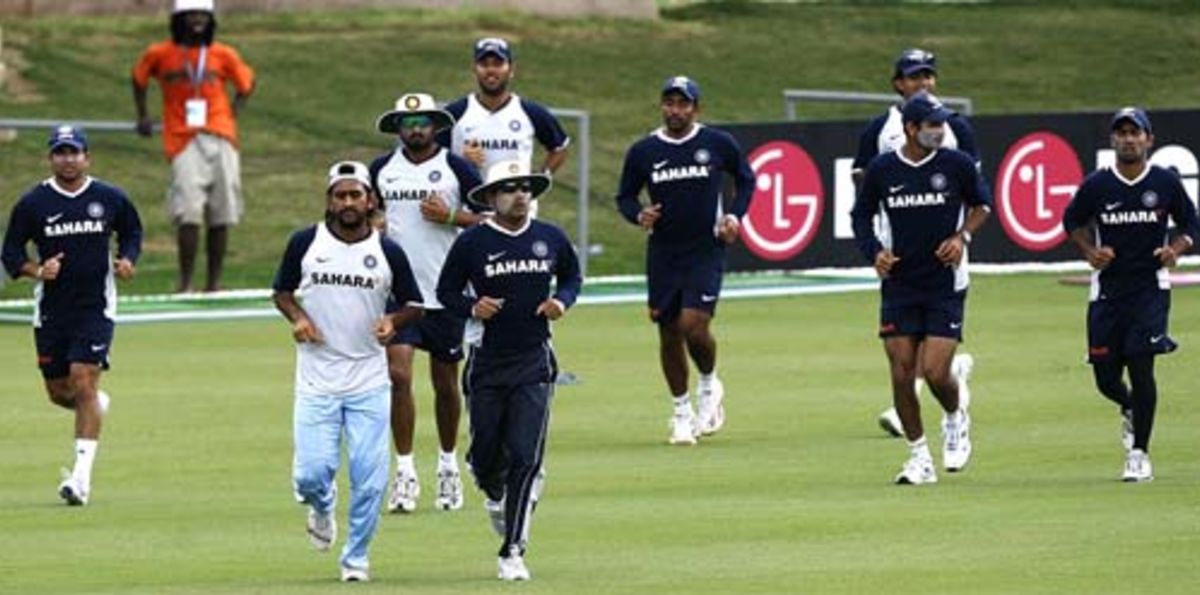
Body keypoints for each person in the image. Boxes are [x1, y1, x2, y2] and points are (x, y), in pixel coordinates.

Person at [272, 161, 423, 582]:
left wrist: (394, 322)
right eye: (341, 195)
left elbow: (415, 304)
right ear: (329, 201)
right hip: (317, 377)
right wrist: (297, 318)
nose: (349, 202)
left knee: (369, 478)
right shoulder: (305, 242)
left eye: (356, 194)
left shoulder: (387, 250)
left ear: (370, 200)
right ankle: (321, 504)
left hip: (368, 379)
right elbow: (281, 292)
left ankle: (355, 558)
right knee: (309, 475)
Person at [435, 159, 581, 581]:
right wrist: (471, 307)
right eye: (510, 188)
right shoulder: (473, 242)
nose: (520, 195)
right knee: (484, 458)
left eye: (526, 188)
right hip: (486, 363)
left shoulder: (549, 237)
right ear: (492, 197)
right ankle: (495, 493)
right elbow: (446, 290)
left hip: (534, 360)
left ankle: (512, 551)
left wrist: (562, 302)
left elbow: (571, 276)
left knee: (525, 455)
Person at [851, 92, 992, 485]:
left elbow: (983, 205)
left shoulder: (957, 164)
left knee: (933, 372)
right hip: (899, 282)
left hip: (946, 282)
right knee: (900, 373)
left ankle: (955, 414)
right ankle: (919, 458)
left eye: (941, 124)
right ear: (911, 129)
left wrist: (962, 236)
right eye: (932, 125)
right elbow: (861, 215)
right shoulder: (883, 169)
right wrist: (874, 252)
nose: (940, 130)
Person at [1, 124, 143, 506]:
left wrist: (128, 259)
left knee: (83, 378)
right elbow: (11, 253)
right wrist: (37, 271)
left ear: (86, 157)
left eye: (74, 152)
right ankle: (95, 403)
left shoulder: (109, 197)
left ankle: (80, 480)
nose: (68, 159)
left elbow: (132, 231)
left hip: (95, 307)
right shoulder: (33, 204)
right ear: (51, 158)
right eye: (61, 152)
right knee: (61, 392)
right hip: (51, 311)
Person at [614, 76, 755, 445]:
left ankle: (709, 384)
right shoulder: (644, 150)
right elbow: (625, 197)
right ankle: (680, 411)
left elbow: (746, 179)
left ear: (696, 108)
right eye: (669, 103)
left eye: (683, 103)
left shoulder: (716, 143)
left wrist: (735, 217)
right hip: (663, 251)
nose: (675, 110)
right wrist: (639, 215)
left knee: (694, 324)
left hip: (705, 248)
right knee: (668, 330)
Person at [1062, 107, 1199, 483]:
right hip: (1107, 291)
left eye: (1135, 133)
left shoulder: (1165, 183)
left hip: (1149, 289)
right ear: (1113, 140)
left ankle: (1139, 454)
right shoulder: (1098, 185)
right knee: (1106, 378)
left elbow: (1191, 223)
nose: (1128, 139)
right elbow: (1071, 220)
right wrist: (1090, 251)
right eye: (1121, 133)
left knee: (1142, 366)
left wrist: (1176, 250)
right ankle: (1128, 408)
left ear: (1148, 139)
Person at [369, 93, 484, 514]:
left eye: (422, 121)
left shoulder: (457, 167)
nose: (415, 128)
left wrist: (452, 216)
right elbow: (366, 216)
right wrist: (374, 226)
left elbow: (490, 217)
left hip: (447, 289)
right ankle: (404, 472)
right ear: (398, 127)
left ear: (436, 126)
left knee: (445, 384)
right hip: (401, 293)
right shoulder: (382, 169)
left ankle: (448, 465)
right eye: (407, 121)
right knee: (398, 376)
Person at [132, 0, 256, 293]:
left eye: (203, 15)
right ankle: (185, 283)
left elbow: (247, 83)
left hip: (221, 136)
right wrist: (143, 116)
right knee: (188, 209)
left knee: (221, 209)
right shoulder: (160, 53)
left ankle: (213, 284)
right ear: (178, 20)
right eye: (191, 15)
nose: (198, 20)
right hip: (182, 137)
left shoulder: (222, 53)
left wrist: (234, 112)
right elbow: (138, 79)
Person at [442, 37, 570, 217]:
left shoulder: (529, 112)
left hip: (519, 213)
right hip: (470, 213)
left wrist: (542, 177)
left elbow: (559, 147)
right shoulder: (455, 113)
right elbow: (435, 158)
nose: (491, 70)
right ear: (474, 69)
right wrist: (462, 160)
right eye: (484, 64)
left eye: (498, 63)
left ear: (511, 70)